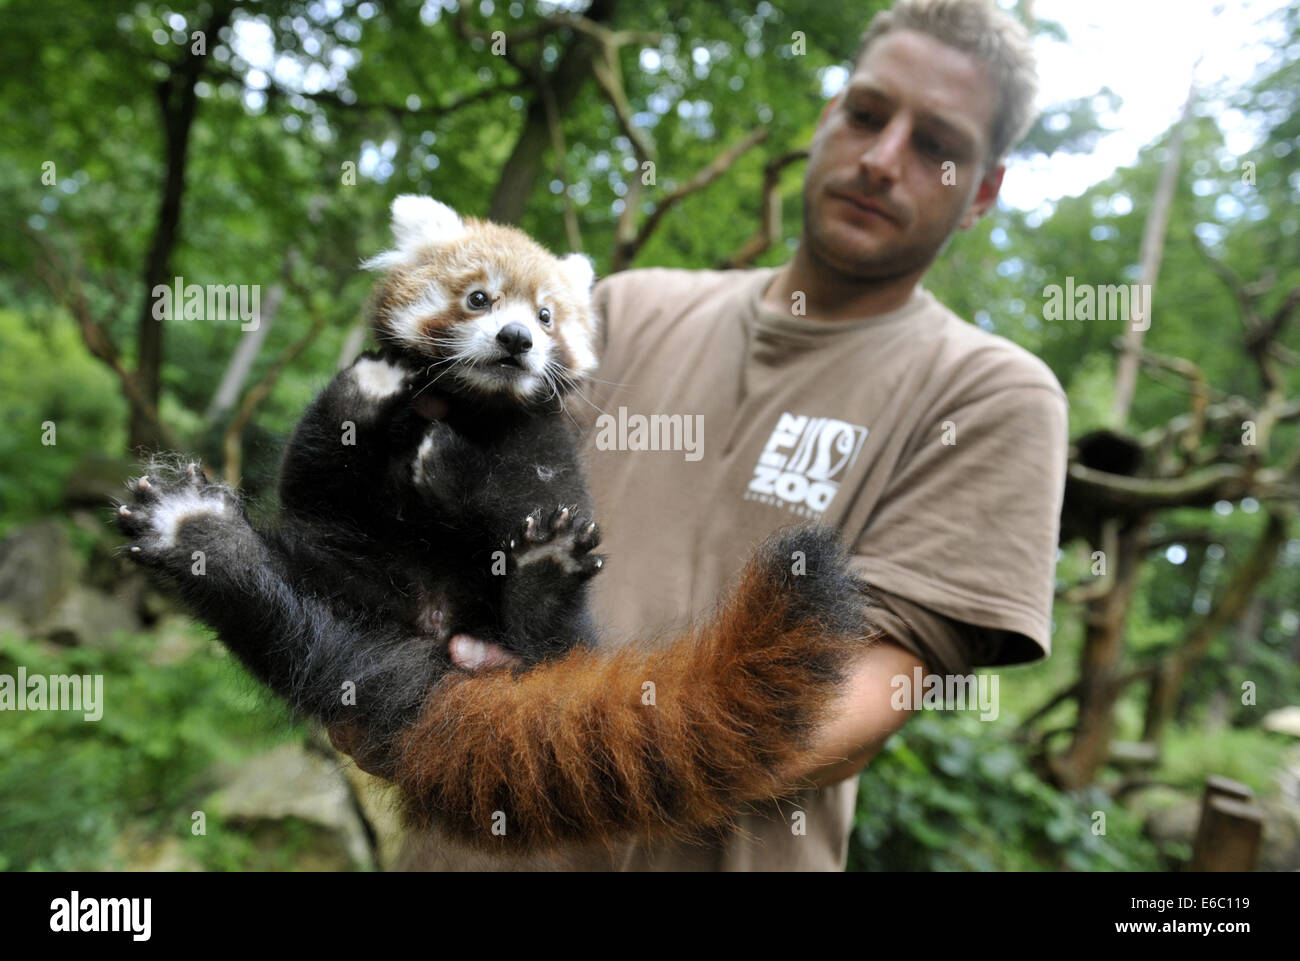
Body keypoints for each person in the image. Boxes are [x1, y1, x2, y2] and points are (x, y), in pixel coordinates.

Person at [336, 0, 1069, 871]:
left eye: (936, 146)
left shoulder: (991, 395)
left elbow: (854, 706)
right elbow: (412, 503)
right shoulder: (618, 312)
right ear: (830, 114)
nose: (881, 160)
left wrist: (525, 744)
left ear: (983, 190)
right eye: (867, 114)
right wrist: (374, 674)